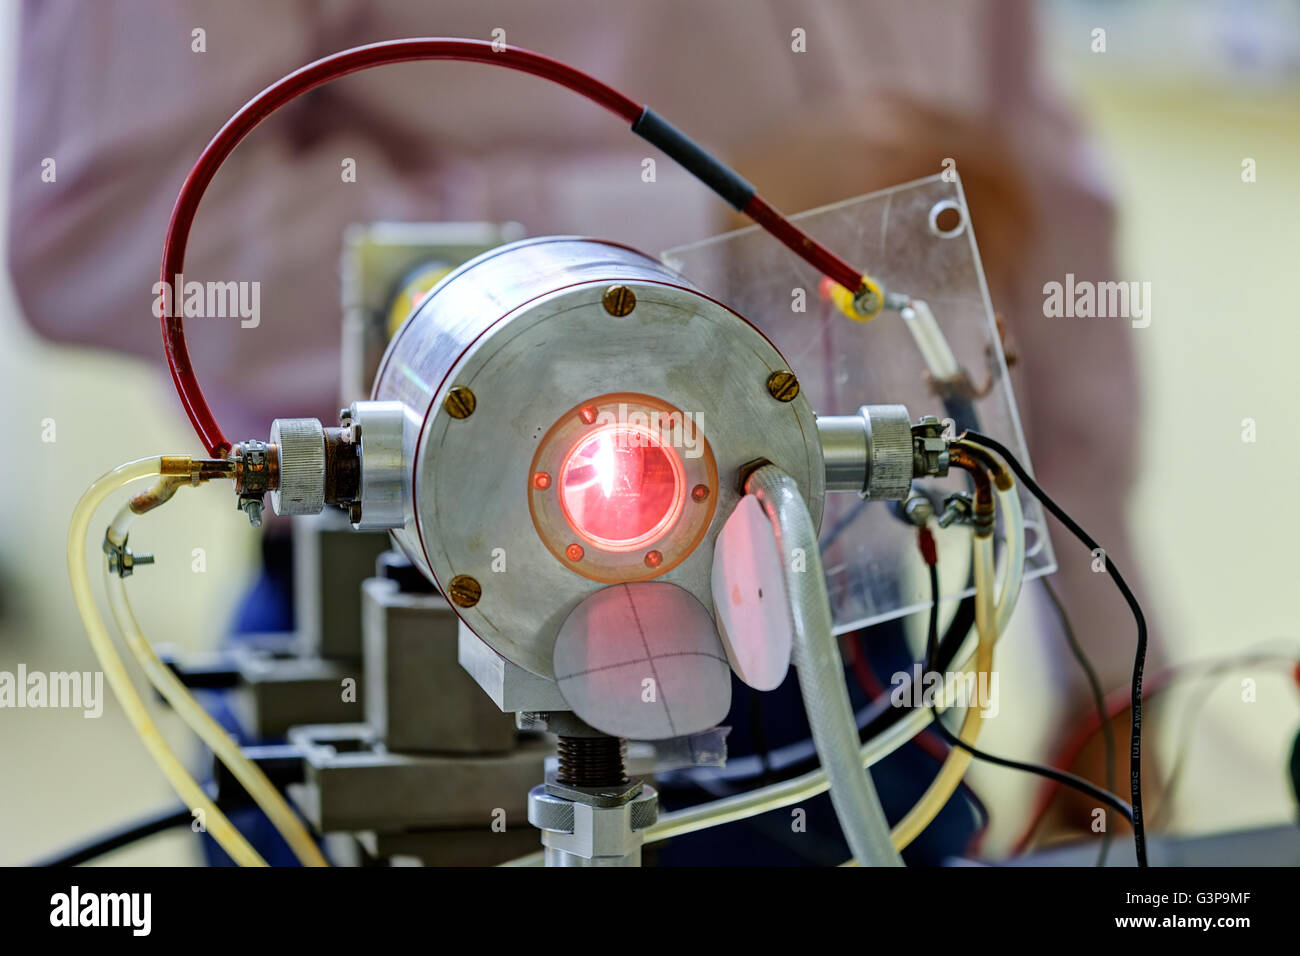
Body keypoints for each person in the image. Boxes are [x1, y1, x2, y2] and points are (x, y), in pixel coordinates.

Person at [8, 0, 1152, 860]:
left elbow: (1026, 192)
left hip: (855, 650)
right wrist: (697, 222)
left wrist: (1112, 648)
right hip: (422, 674)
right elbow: (105, 229)